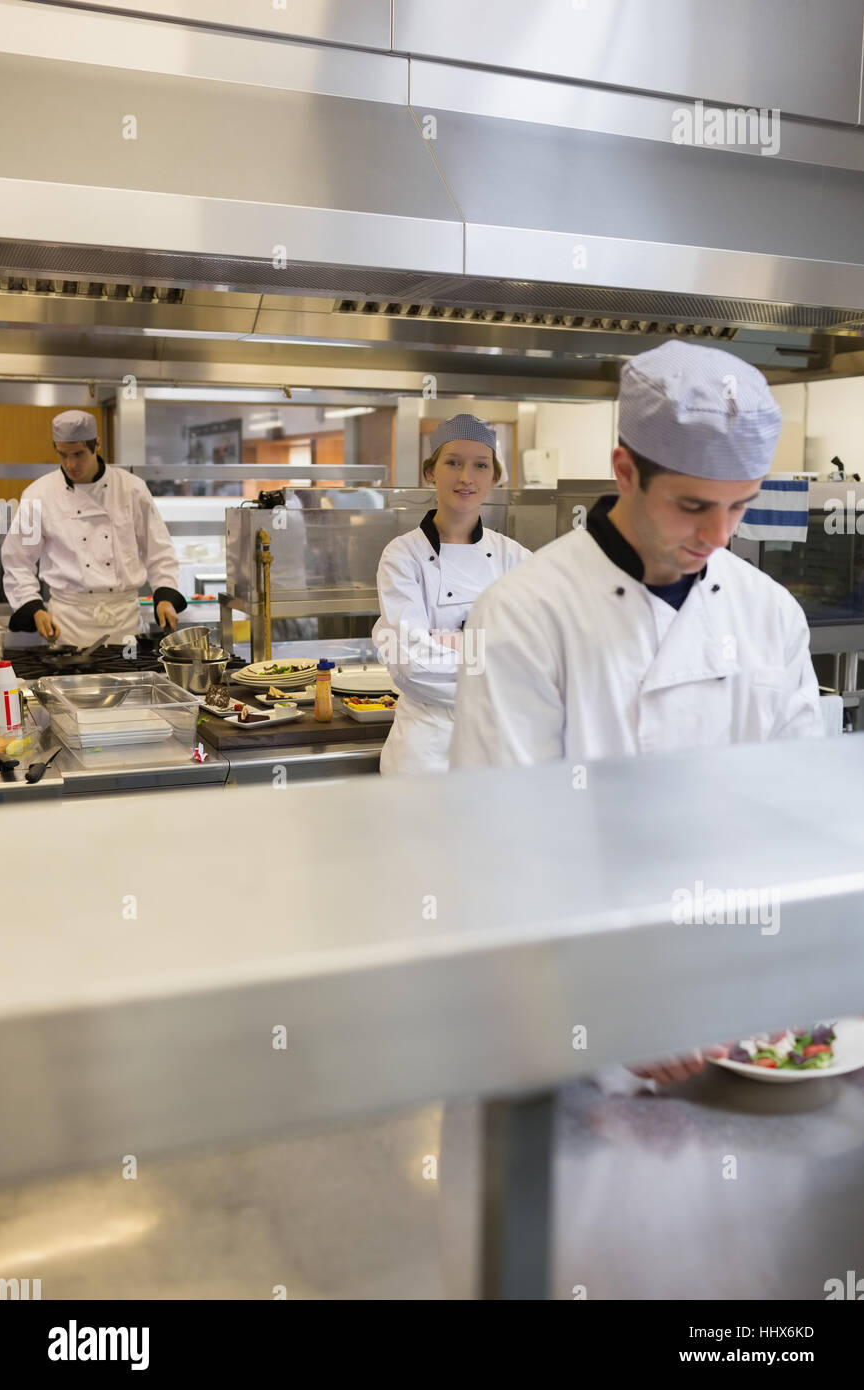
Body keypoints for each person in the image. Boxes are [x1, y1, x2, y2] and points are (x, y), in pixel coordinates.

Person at [449, 341, 824, 1085]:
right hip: (571, 1024)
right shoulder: (526, 613)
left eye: (739, 506)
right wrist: (606, 1007)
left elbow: (799, 815)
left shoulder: (769, 614)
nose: (719, 537)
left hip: (742, 1009)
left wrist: (797, 969)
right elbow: (500, 846)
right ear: (625, 470)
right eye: (692, 506)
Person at [372, 414, 530, 774]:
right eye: (453, 462)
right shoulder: (402, 556)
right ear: (431, 471)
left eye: (480, 465)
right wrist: (498, 658)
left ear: (494, 476)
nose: (465, 477)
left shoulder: (515, 558)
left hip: (497, 754)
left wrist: (450, 643)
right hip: (424, 755)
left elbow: (547, 655)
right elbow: (412, 666)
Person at [2, 410, 186, 645]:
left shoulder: (132, 489)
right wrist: (34, 607)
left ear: (97, 444)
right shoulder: (37, 496)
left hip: (124, 622)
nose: (71, 464)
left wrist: (165, 595)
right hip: (67, 625)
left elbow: (159, 550)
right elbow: (18, 560)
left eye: (78, 454)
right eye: (63, 455)